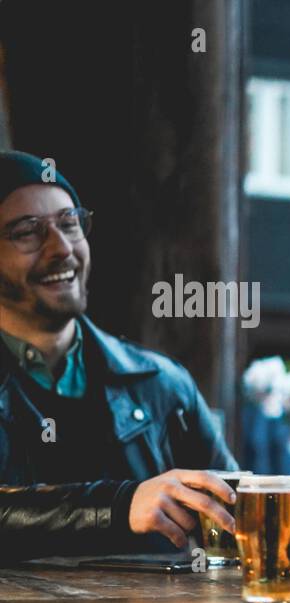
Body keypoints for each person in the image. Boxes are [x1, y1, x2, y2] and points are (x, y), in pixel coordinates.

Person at [0, 150, 240, 558]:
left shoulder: (163, 385)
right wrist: (120, 506)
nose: (61, 248)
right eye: (27, 231)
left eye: (69, 224)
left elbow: (232, 517)